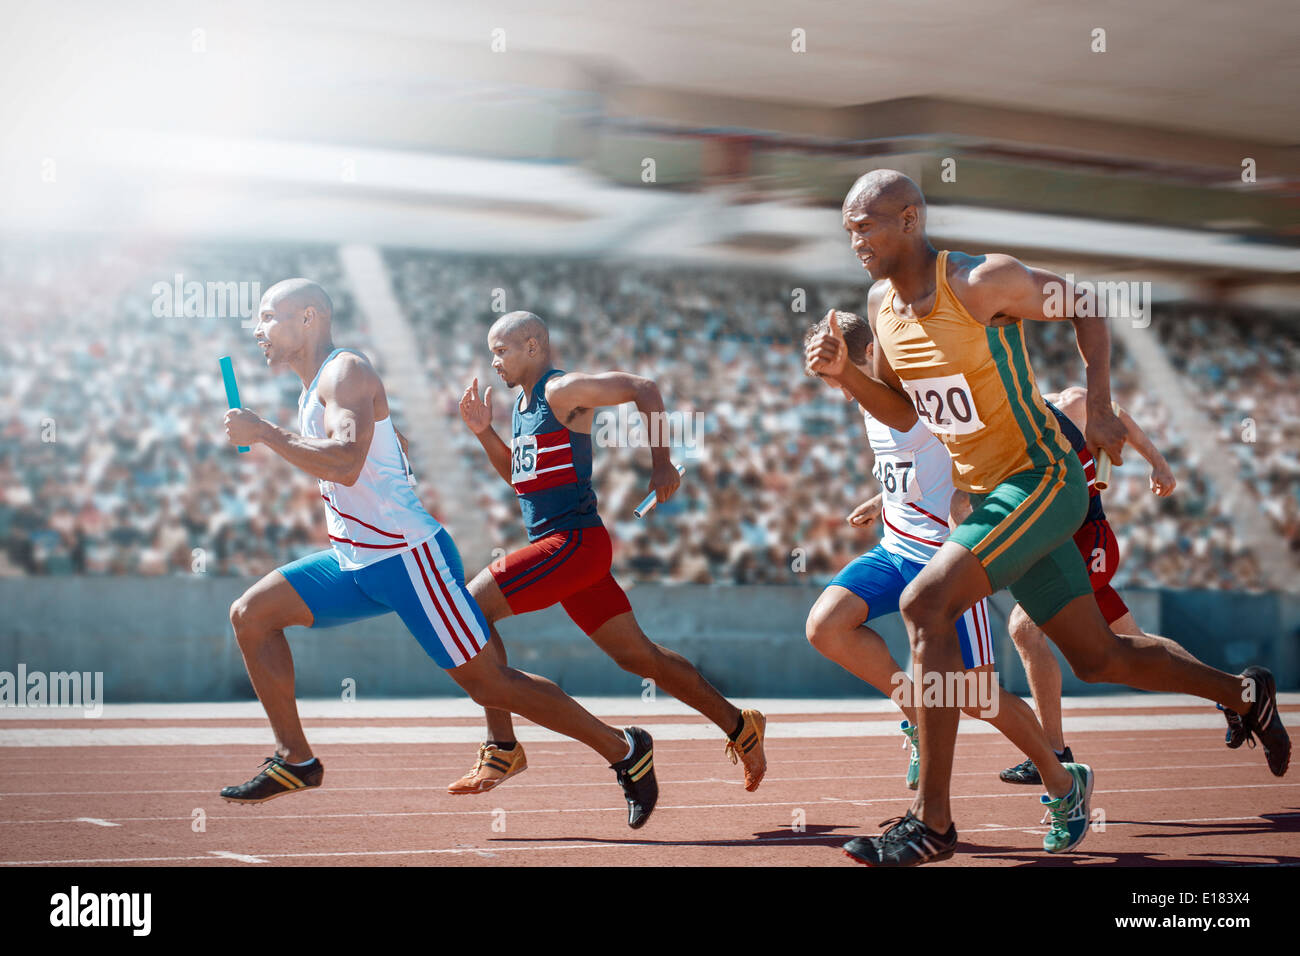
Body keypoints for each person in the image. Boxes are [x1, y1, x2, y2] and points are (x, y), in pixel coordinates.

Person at [805, 170, 1289, 867]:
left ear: (910, 218)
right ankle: (1246, 694)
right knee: (1101, 658)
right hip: (997, 496)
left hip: (1042, 478)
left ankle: (932, 823)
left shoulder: (979, 280)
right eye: (848, 227)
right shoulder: (881, 305)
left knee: (925, 602)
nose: (855, 239)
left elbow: (1087, 303)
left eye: (867, 224)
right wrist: (846, 377)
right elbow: (908, 413)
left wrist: (1096, 403)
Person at [220, 280, 659, 829]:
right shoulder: (317, 387)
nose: (257, 330)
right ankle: (296, 759)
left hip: (407, 559)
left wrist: (263, 431)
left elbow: (346, 463)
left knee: (489, 683)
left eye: (267, 317)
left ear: (309, 317)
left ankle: (623, 748)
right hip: (356, 560)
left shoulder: (344, 372)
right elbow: (377, 445)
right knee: (251, 615)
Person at [449, 310, 767, 798]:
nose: (494, 361)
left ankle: (502, 746)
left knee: (469, 610)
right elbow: (521, 480)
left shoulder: (562, 391)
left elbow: (644, 387)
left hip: (573, 544)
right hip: (567, 551)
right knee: (640, 658)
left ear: (532, 346)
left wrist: (661, 463)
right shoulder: (522, 405)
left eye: (501, 350)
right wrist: (482, 432)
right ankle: (739, 724)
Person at [803, 314, 1083, 848]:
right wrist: (879, 499)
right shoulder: (870, 403)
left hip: (947, 566)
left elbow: (911, 425)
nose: (838, 393)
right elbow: (916, 464)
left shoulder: (906, 394)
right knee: (826, 627)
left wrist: (852, 372)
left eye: (837, 379)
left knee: (975, 696)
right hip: (894, 549)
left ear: (868, 360)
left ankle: (1063, 780)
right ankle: (914, 711)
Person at [997, 386, 1176, 784]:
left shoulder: (1069, 404)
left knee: (1024, 629)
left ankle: (1054, 753)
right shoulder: (996, 426)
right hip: (1057, 547)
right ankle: (1237, 694)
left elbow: (1118, 416)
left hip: (1087, 539)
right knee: (1133, 638)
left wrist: (1158, 464)